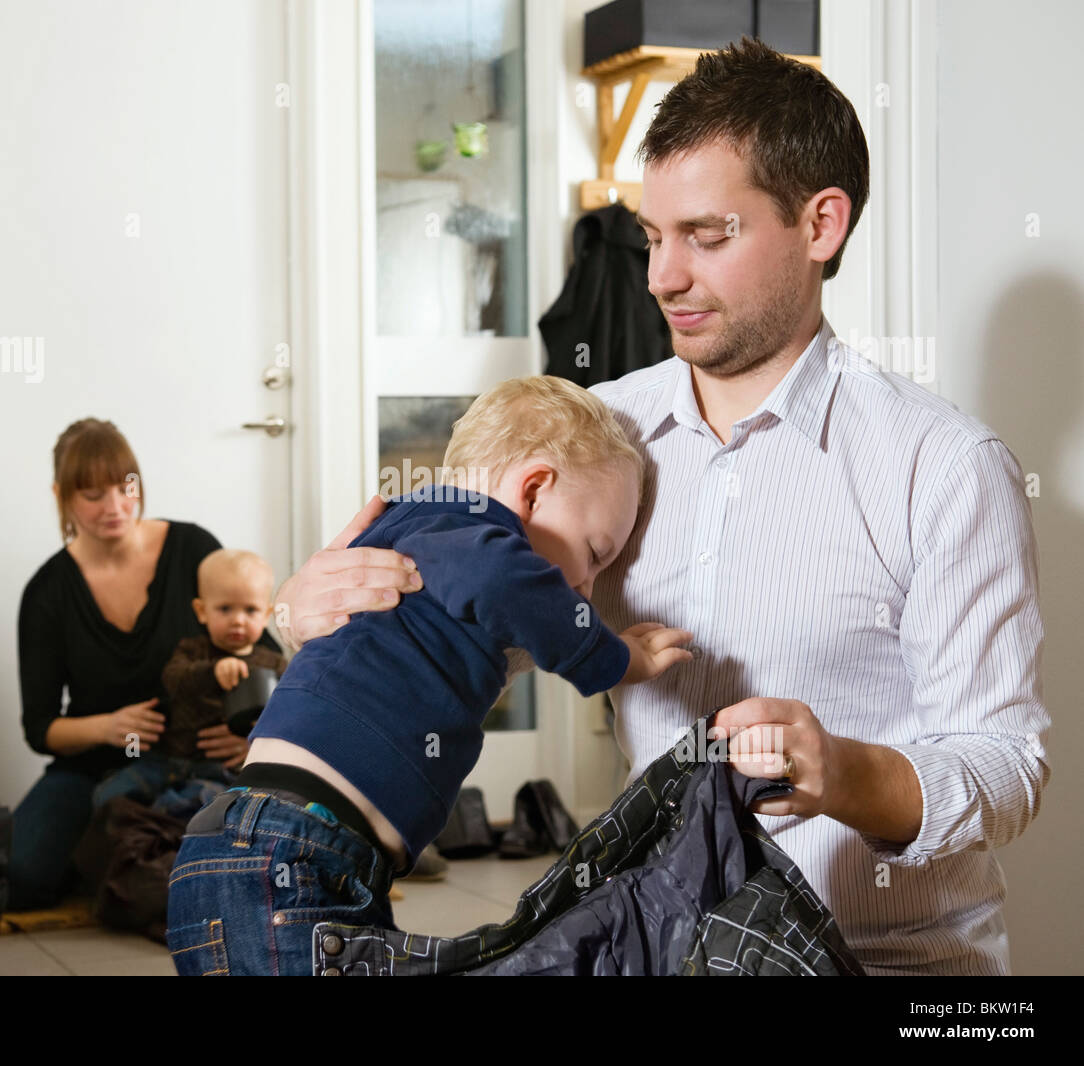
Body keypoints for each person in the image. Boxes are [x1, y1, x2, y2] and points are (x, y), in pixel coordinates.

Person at [268, 39, 1050, 977]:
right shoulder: (597, 441)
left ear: (822, 224)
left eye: (708, 236)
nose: (660, 277)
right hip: (659, 944)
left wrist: (840, 770)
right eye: (652, 236)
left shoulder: (945, 467)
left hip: (885, 960)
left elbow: (1006, 764)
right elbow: (467, 622)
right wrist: (302, 615)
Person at [166, 377, 693, 975]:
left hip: (263, 846)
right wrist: (619, 659)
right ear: (534, 488)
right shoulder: (472, 536)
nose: (588, 587)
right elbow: (506, 584)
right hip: (296, 854)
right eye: (596, 553)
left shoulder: (413, 522)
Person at [10, 419, 282, 910]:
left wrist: (251, 736)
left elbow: (265, 656)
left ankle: (130, 861)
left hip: (202, 758)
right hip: (97, 767)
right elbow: (40, 728)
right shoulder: (47, 593)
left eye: (125, 487)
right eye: (92, 494)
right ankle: (116, 857)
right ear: (61, 495)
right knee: (24, 876)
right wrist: (107, 727)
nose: (114, 506)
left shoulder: (194, 549)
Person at [90, 548, 288, 809]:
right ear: (202, 611)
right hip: (169, 760)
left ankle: (166, 817)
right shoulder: (191, 651)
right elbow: (173, 679)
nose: (238, 620)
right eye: (225, 609)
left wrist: (254, 741)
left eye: (250, 610)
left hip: (221, 770)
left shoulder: (274, 664)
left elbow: (287, 717)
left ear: (266, 615)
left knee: (197, 805)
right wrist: (212, 672)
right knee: (110, 794)